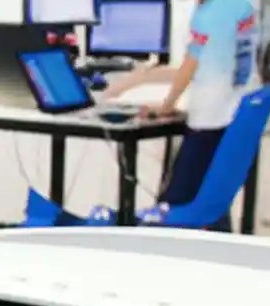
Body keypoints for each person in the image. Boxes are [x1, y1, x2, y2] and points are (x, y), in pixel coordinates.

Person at [102, 0, 259, 231]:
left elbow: (191, 65)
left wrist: (165, 106)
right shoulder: (240, 7)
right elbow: (211, 66)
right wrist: (142, 78)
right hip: (230, 117)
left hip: (210, 123)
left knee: (172, 204)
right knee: (211, 198)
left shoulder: (209, 14)